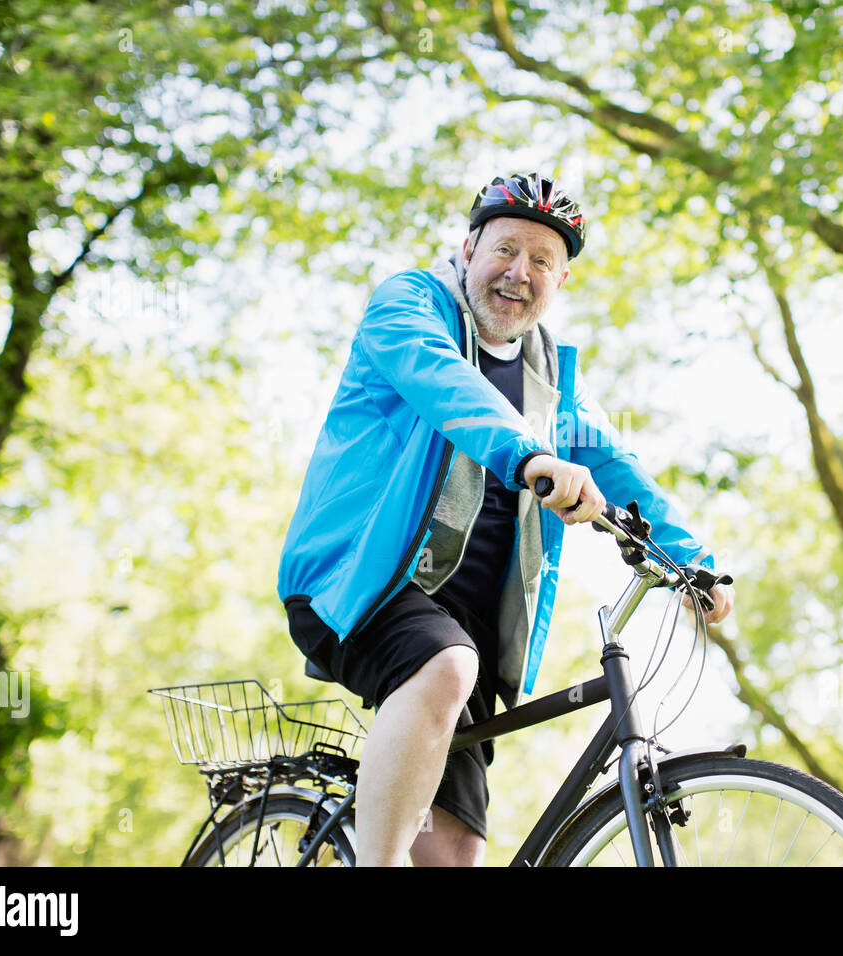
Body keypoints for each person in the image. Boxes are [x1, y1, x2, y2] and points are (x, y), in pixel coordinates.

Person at [278, 172, 734, 866]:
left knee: (456, 852)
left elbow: (613, 460)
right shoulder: (411, 306)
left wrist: (692, 561)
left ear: (560, 282)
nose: (520, 272)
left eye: (543, 261)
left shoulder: (547, 378)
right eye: (506, 250)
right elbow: (440, 380)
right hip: (359, 579)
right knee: (445, 665)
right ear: (468, 249)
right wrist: (529, 455)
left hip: (469, 626)